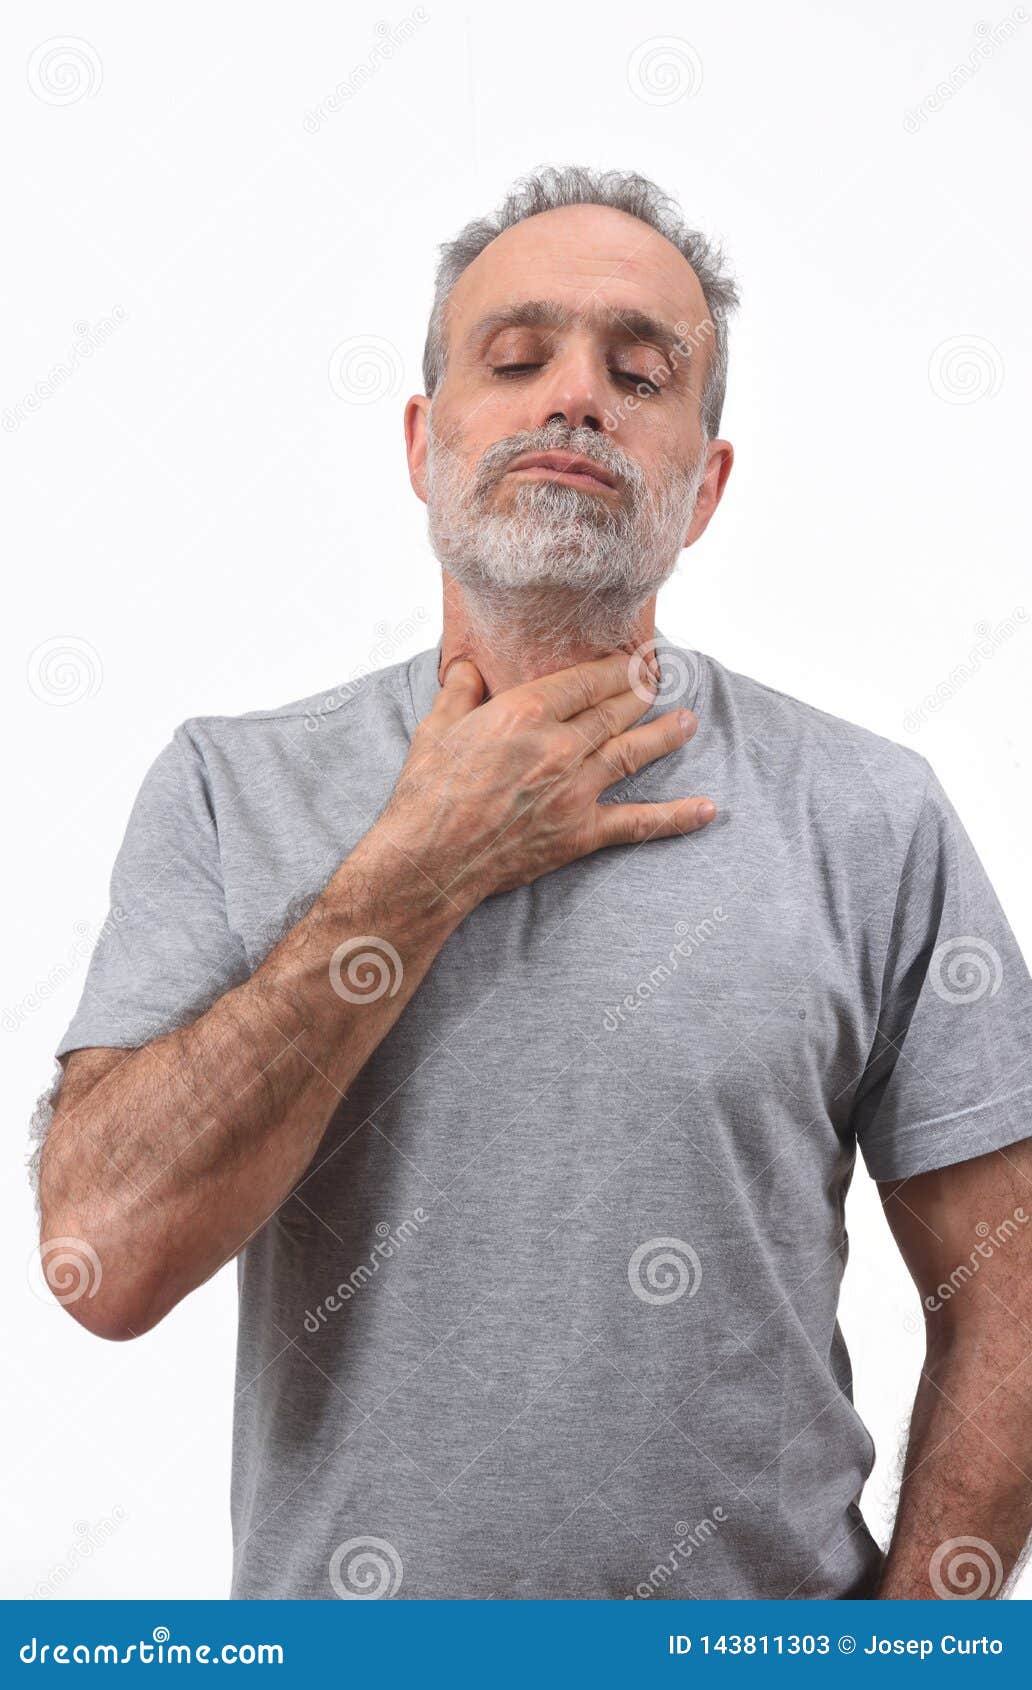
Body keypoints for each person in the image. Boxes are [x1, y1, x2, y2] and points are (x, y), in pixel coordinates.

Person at [35, 166, 1032, 1602]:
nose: (576, 397)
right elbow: (101, 1260)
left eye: (640, 371)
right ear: (424, 442)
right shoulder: (226, 789)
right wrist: (419, 862)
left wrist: (902, 1648)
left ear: (707, 484)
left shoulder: (872, 814)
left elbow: (1006, 1281)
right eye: (517, 358)